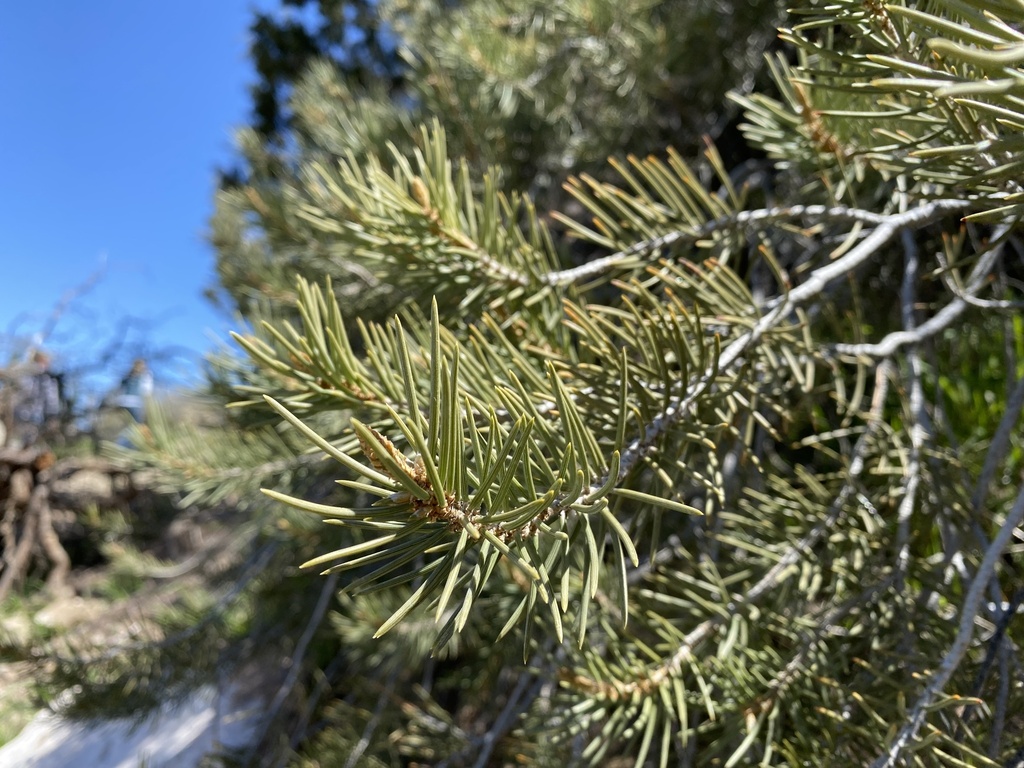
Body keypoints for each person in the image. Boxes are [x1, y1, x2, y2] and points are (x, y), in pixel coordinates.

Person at [10, 350, 62, 448]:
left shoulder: (22, 374)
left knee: (22, 443)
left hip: (25, 416)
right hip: (29, 417)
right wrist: (52, 416)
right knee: (25, 443)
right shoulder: (45, 378)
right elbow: (51, 400)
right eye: (45, 361)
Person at [113, 359, 153, 423]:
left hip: (124, 402)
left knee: (128, 422)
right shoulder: (144, 376)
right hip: (134, 403)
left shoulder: (127, 376)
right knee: (138, 423)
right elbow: (147, 391)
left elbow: (120, 389)